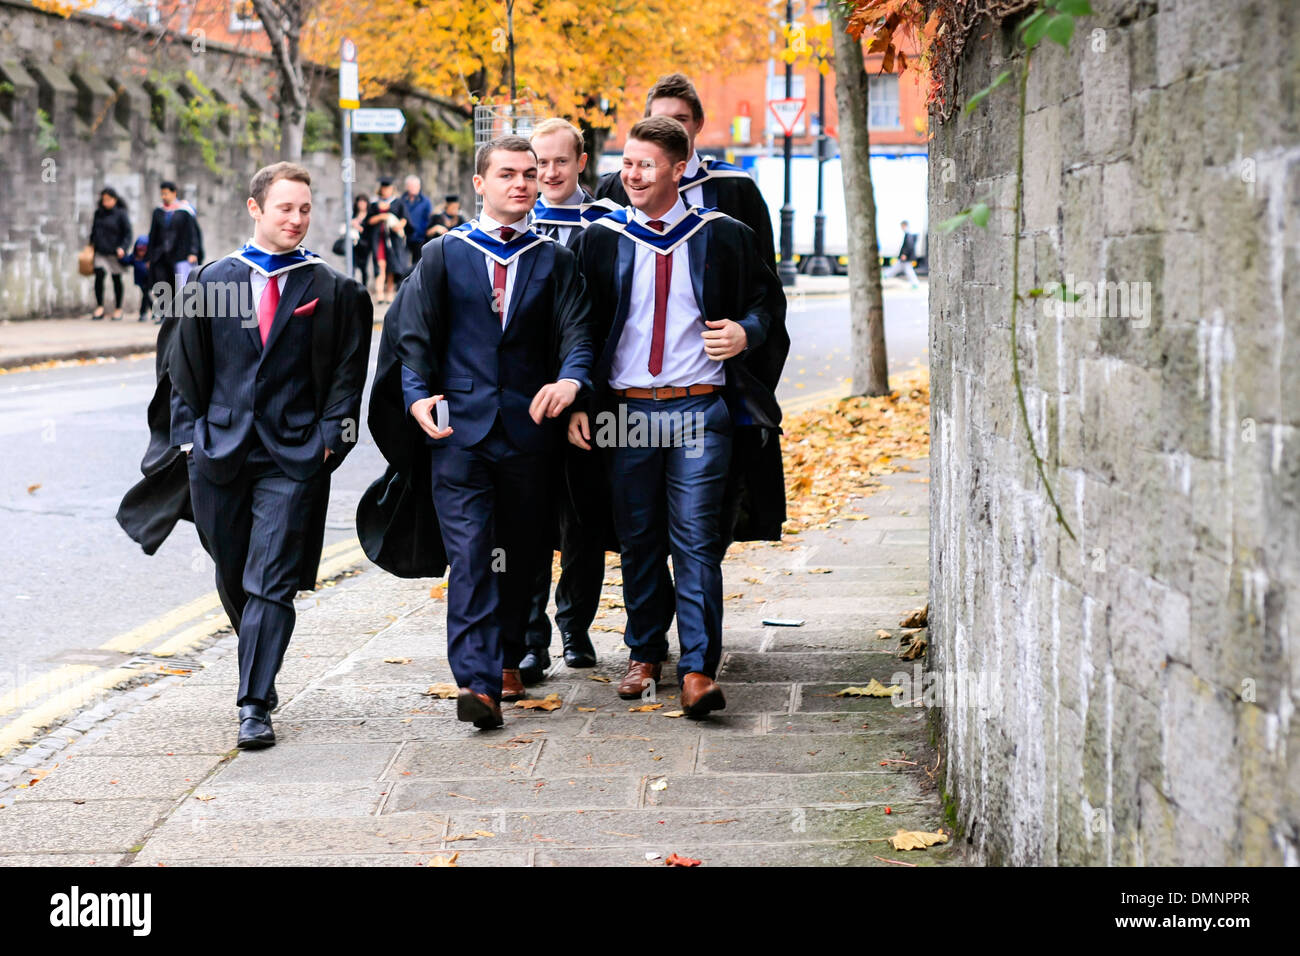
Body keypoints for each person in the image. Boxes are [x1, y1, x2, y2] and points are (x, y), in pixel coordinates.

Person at [117, 161, 374, 750]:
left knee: (270, 580)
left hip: (294, 458)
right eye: (285, 208)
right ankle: (259, 657)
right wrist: (189, 439)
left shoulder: (332, 289)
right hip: (218, 454)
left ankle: (253, 703)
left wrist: (332, 440)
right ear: (256, 208)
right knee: (232, 570)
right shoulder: (212, 282)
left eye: (305, 209)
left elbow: (346, 374)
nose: (297, 220)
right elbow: (181, 370)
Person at [357, 135, 593, 731]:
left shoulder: (555, 261)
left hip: (530, 435)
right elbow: (413, 338)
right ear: (480, 185)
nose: (521, 183)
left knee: (519, 555)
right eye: (508, 173)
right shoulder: (443, 255)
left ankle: (508, 656)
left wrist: (572, 381)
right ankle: (478, 683)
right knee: (470, 557)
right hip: (458, 434)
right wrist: (415, 398)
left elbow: (579, 336)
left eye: (530, 174)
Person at [571, 116, 788, 718]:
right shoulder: (601, 239)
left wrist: (746, 333)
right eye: (626, 163)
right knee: (639, 541)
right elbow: (580, 329)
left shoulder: (723, 236)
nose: (630, 175)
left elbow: (766, 303)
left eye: (643, 164)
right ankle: (645, 652)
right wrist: (582, 400)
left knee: (695, 543)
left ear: (676, 167)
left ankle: (698, 669)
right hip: (628, 412)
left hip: (699, 408)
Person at [518, 117, 620, 683]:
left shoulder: (608, 226)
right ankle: (531, 638)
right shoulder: (512, 222)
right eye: (540, 163)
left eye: (560, 161)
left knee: (584, 519)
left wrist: (585, 392)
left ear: (582, 162)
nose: (549, 173)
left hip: (587, 395)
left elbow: (611, 320)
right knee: (530, 521)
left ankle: (575, 625)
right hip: (525, 398)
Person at [595, 73, 776, 272]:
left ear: (699, 123)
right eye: (660, 120)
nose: (671, 128)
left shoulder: (735, 186)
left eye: (681, 119)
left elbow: (762, 270)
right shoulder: (617, 186)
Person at [145, 180, 201, 323]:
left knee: (177, 285)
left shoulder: (185, 211)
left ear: (173, 193)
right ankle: (163, 313)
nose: (163, 196)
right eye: (162, 194)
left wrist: (193, 252)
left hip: (180, 254)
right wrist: (149, 256)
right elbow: (153, 234)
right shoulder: (158, 212)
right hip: (161, 255)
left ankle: (175, 316)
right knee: (161, 284)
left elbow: (193, 233)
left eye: (166, 193)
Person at [88, 187, 132, 320]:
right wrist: (91, 245)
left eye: (108, 199)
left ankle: (118, 309)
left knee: (116, 279)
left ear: (114, 199)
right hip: (100, 251)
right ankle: (99, 307)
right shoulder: (98, 213)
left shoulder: (121, 214)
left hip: (115, 252)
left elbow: (128, 233)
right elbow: (94, 230)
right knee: (99, 277)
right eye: (104, 200)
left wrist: (123, 248)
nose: (106, 202)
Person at [400, 175, 433, 263]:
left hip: (420, 238)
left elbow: (429, 219)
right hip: (404, 238)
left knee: (417, 264)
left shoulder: (425, 202)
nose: (414, 188)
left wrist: (424, 233)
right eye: (412, 186)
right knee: (403, 264)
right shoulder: (401, 201)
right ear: (407, 187)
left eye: (416, 186)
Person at [885, 220, 920, 288]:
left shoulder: (908, 234)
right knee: (898, 267)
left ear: (904, 225)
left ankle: (915, 283)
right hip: (907, 256)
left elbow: (909, 245)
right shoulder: (909, 233)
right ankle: (886, 275)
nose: (901, 228)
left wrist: (904, 254)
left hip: (906, 256)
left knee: (908, 270)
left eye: (902, 226)